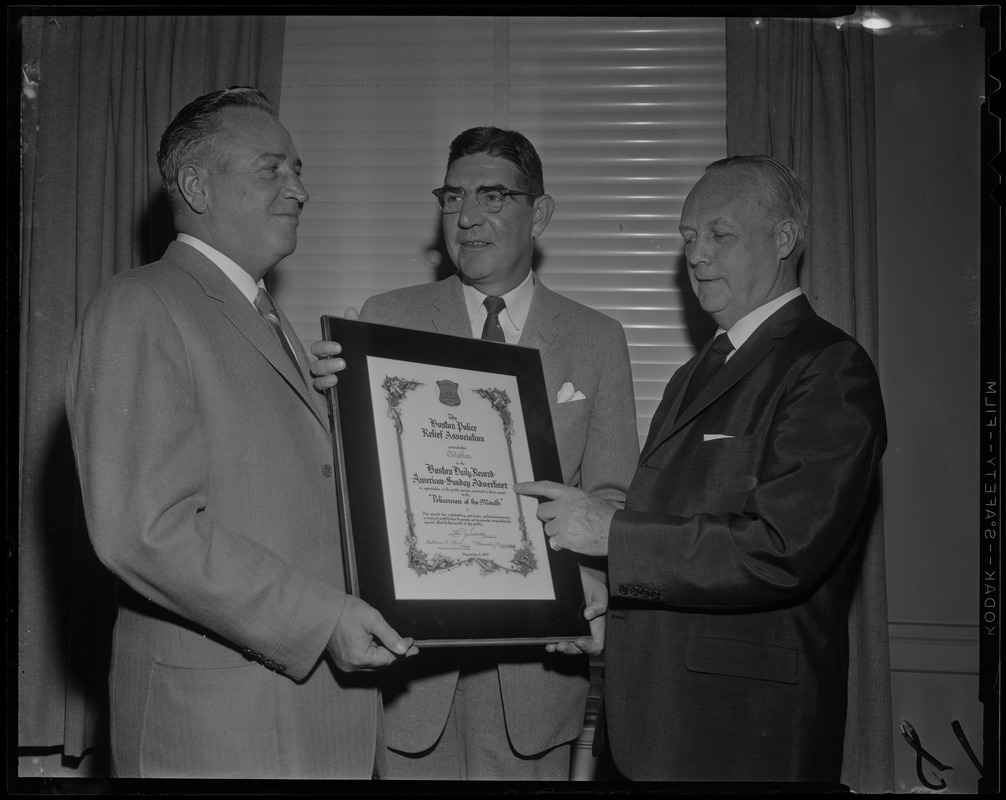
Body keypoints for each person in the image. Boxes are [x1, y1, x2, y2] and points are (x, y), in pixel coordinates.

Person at [65, 87, 416, 779]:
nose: (300, 189)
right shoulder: (140, 304)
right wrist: (321, 620)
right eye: (272, 169)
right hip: (216, 731)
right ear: (197, 186)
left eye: (300, 169)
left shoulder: (275, 323)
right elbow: (145, 530)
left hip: (307, 721)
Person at [516, 155, 887, 783]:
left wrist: (610, 533)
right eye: (690, 237)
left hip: (743, 736)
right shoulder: (697, 372)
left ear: (785, 240)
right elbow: (679, 539)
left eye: (721, 235)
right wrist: (612, 614)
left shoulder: (829, 367)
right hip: (653, 727)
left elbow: (780, 550)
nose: (697, 255)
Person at [310, 126, 639, 780]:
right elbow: (350, 488)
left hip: (535, 680)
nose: (466, 218)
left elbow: (613, 497)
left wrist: (592, 583)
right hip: (410, 672)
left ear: (538, 213)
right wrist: (322, 404)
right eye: (452, 196)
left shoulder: (597, 339)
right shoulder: (386, 317)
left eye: (492, 196)